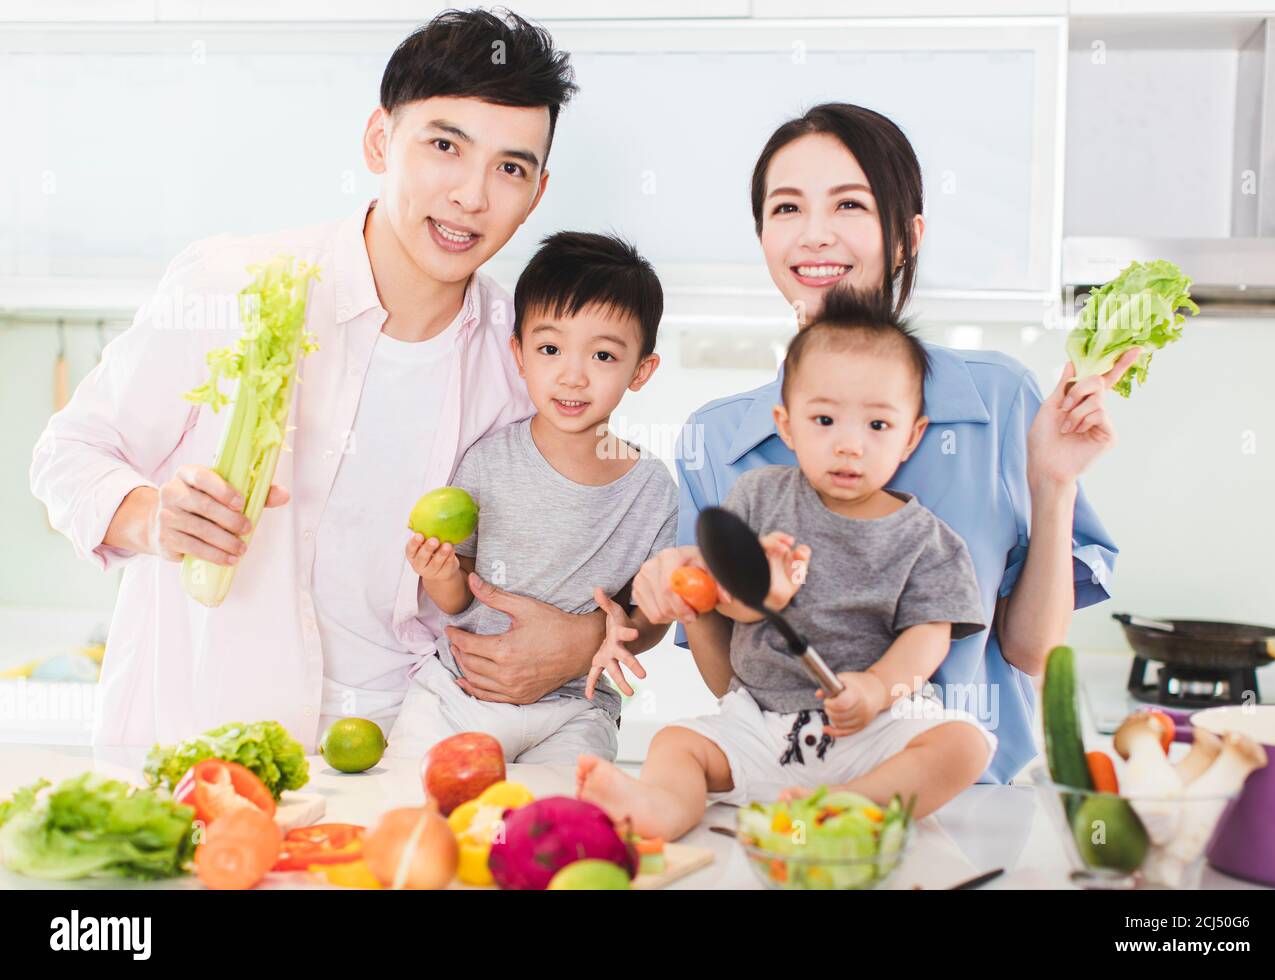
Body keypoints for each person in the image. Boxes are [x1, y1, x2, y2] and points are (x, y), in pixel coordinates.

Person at [28, 10, 604, 747]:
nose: (472, 196)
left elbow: (603, 544)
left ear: (538, 191)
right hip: (209, 735)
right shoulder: (233, 283)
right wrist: (149, 516)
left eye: (510, 168)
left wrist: (585, 639)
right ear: (379, 141)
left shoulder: (527, 360)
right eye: (443, 146)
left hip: (409, 749)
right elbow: (66, 455)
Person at [628, 104, 1142, 783]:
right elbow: (731, 682)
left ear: (906, 236)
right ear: (761, 237)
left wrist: (1054, 484)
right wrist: (689, 594)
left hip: (969, 805)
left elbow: (1032, 653)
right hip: (788, 799)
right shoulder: (716, 441)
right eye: (786, 209)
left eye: (849, 205)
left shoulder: (1002, 401)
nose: (815, 235)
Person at [578, 289, 995, 837]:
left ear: (912, 436)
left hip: (875, 730)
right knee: (675, 744)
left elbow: (930, 636)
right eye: (824, 420)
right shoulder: (758, 497)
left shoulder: (926, 540)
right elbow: (727, 605)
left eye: (876, 426)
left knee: (962, 744)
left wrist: (876, 689)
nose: (849, 445)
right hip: (758, 724)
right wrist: (757, 596)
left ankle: (850, 803)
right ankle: (660, 807)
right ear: (786, 425)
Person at [389, 232, 677, 762]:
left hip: (574, 707)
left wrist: (623, 630)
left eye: (604, 355)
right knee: (414, 803)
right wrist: (437, 571)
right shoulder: (487, 460)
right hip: (459, 693)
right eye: (550, 349)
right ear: (519, 355)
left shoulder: (653, 491)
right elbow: (459, 597)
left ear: (641, 370)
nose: (572, 375)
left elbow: (648, 619)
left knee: (564, 827)